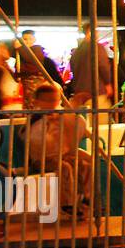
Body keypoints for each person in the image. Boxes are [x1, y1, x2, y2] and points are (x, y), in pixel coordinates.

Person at [25, 82, 95, 219]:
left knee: (84, 165)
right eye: (48, 101)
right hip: (42, 159)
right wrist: (50, 126)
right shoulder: (35, 119)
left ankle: (85, 197)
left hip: (62, 154)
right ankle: (66, 203)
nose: (52, 104)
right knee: (65, 167)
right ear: (38, 101)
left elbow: (74, 132)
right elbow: (39, 142)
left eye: (55, 100)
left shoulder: (60, 116)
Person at [68, 23, 113, 108]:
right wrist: (108, 84)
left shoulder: (76, 52)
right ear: (90, 32)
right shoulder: (97, 48)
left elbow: (73, 70)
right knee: (100, 118)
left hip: (79, 94)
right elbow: (104, 67)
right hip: (96, 91)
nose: (98, 33)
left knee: (84, 119)